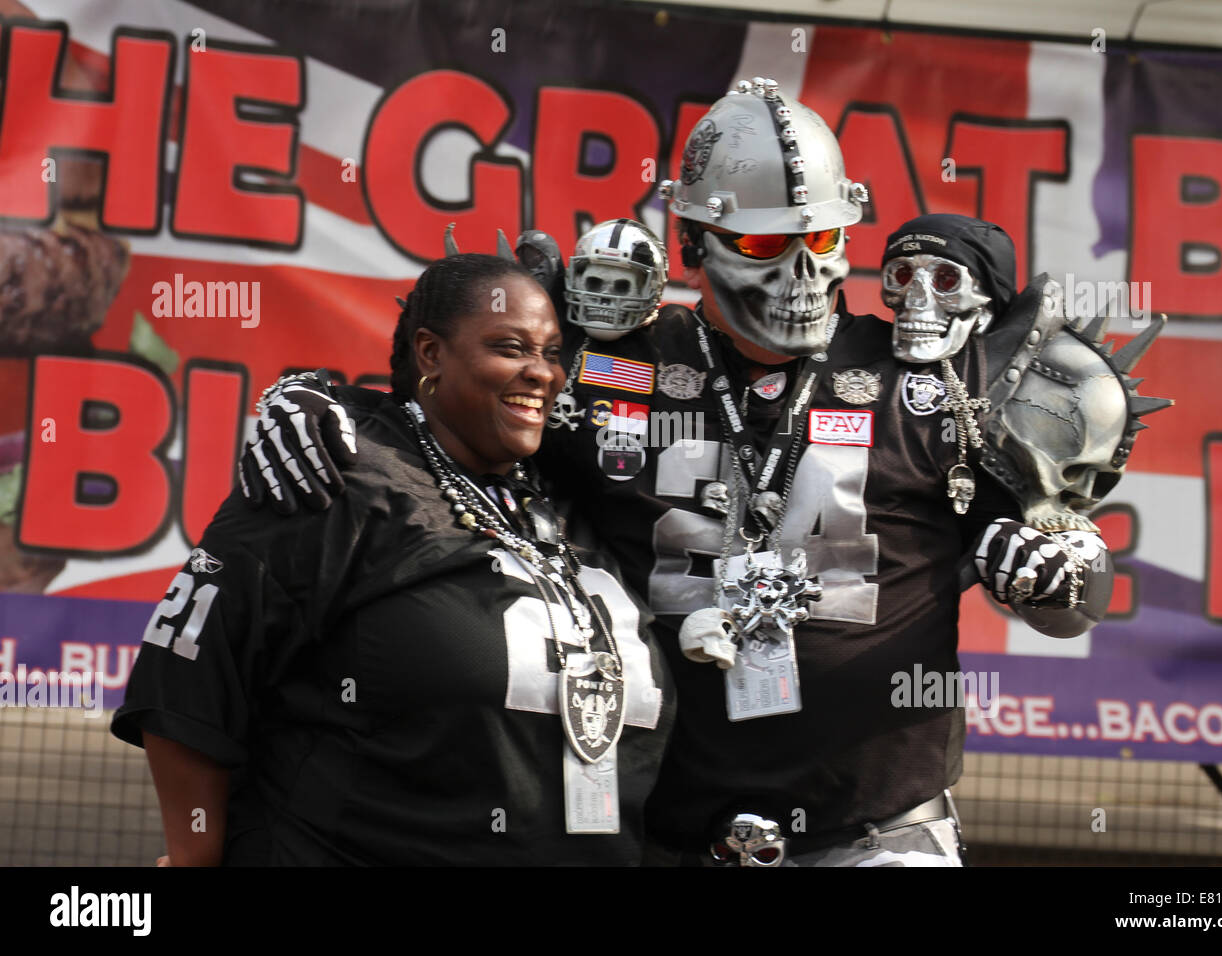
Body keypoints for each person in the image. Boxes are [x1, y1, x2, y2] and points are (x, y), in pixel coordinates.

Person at [237, 80, 1165, 866]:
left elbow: (1068, 593)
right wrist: (319, 399)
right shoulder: (608, 366)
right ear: (692, 246)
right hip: (655, 833)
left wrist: (1063, 569)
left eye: (828, 241)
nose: (804, 269)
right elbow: (441, 420)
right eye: (765, 244)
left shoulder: (929, 377)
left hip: (877, 836)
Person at [111, 254, 673, 866]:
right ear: (430, 353)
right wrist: (195, 856)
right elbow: (190, 672)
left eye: (551, 352)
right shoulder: (332, 472)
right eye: (511, 348)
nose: (542, 373)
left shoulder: (576, 490)